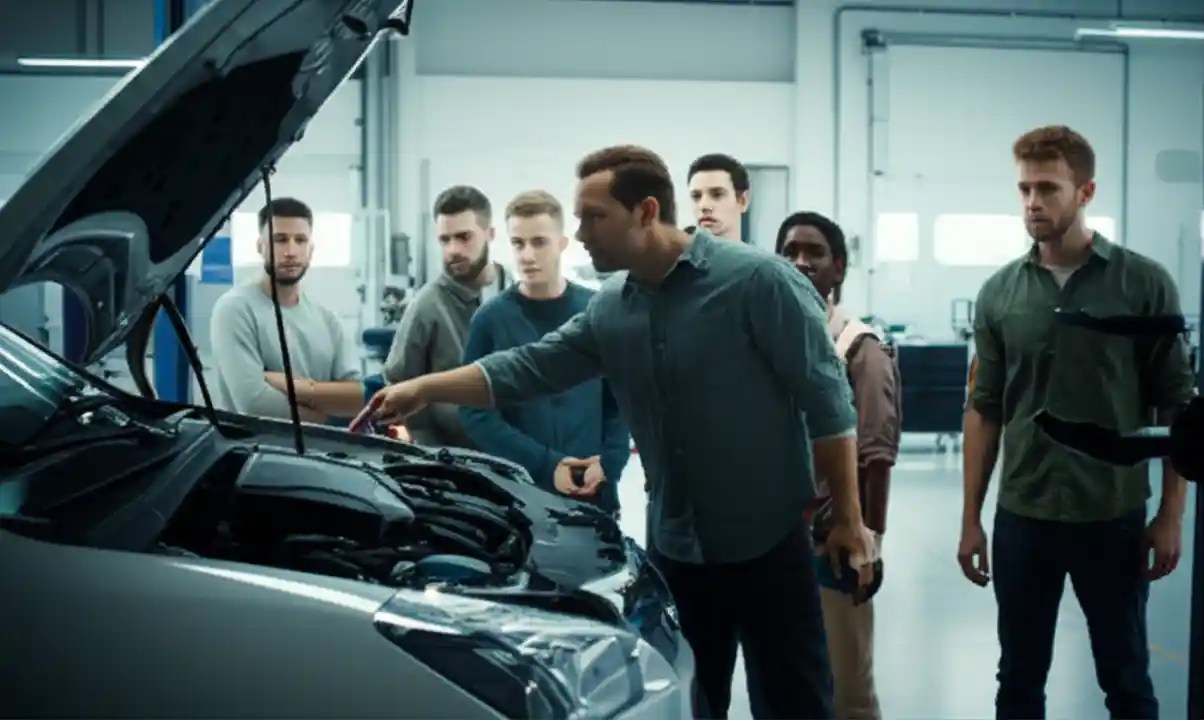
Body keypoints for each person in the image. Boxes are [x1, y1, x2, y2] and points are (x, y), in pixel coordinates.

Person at [364, 144, 879, 719]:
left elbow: (830, 403)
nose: (579, 233)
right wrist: (425, 387)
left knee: (794, 704)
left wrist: (851, 523)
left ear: (646, 211)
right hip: (677, 549)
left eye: (593, 217)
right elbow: (527, 367)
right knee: (689, 700)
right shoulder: (613, 309)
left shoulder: (758, 282)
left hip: (768, 547)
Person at [958, 125, 1196, 719]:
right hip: (1024, 517)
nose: (1033, 202)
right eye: (1024, 189)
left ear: (1085, 191)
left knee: (1126, 678)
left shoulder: (1143, 284)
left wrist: (1170, 515)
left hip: (1111, 515)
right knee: (1018, 680)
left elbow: (1177, 404)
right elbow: (985, 409)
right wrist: (970, 519)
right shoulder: (998, 294)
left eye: (1048, 188)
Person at [777, 211, 901, 720]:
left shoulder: (861, 349)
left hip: (835, 543)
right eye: (790, 252)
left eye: (815, 253)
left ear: (838, 268)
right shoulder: (779, 339)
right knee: (796, 683)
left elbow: (876, 454)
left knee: (850, 688)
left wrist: (867, 542)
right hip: (780, 540)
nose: (802, 262)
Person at [459, 190, 631, 514]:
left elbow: (621, 397)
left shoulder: (597, 310)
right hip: (521, 495)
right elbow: (474, 412)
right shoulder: (490, 320)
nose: (526, 255)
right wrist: (544, 464)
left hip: (593, 489)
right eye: (517, 243)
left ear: (562, 243)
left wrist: (609, 461)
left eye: (539, 242)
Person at [209, 197, 365, 422]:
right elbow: (254, 403)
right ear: (260, 246)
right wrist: (328, 415)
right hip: (258, 451)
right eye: (280, 240)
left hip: (322, 454)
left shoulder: (327, 319)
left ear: (311, 249)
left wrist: (295, 387)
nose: (291, 251)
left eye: (300, 240)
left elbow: (357, 397)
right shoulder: (235, 309)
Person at [383, 185, 510, 447]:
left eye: (464, 237)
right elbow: (398, 385)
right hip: (454, 462)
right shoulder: (427, 306)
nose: (453, 249)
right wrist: (432, 453)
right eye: (445, 239)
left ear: (490, 234)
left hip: (522, 457)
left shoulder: (519, 293)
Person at [687, 153, 750, 242]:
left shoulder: (761, 256)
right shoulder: (677, 255)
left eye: (717, 194)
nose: (704, 206)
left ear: (743, 201)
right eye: (696, 196)